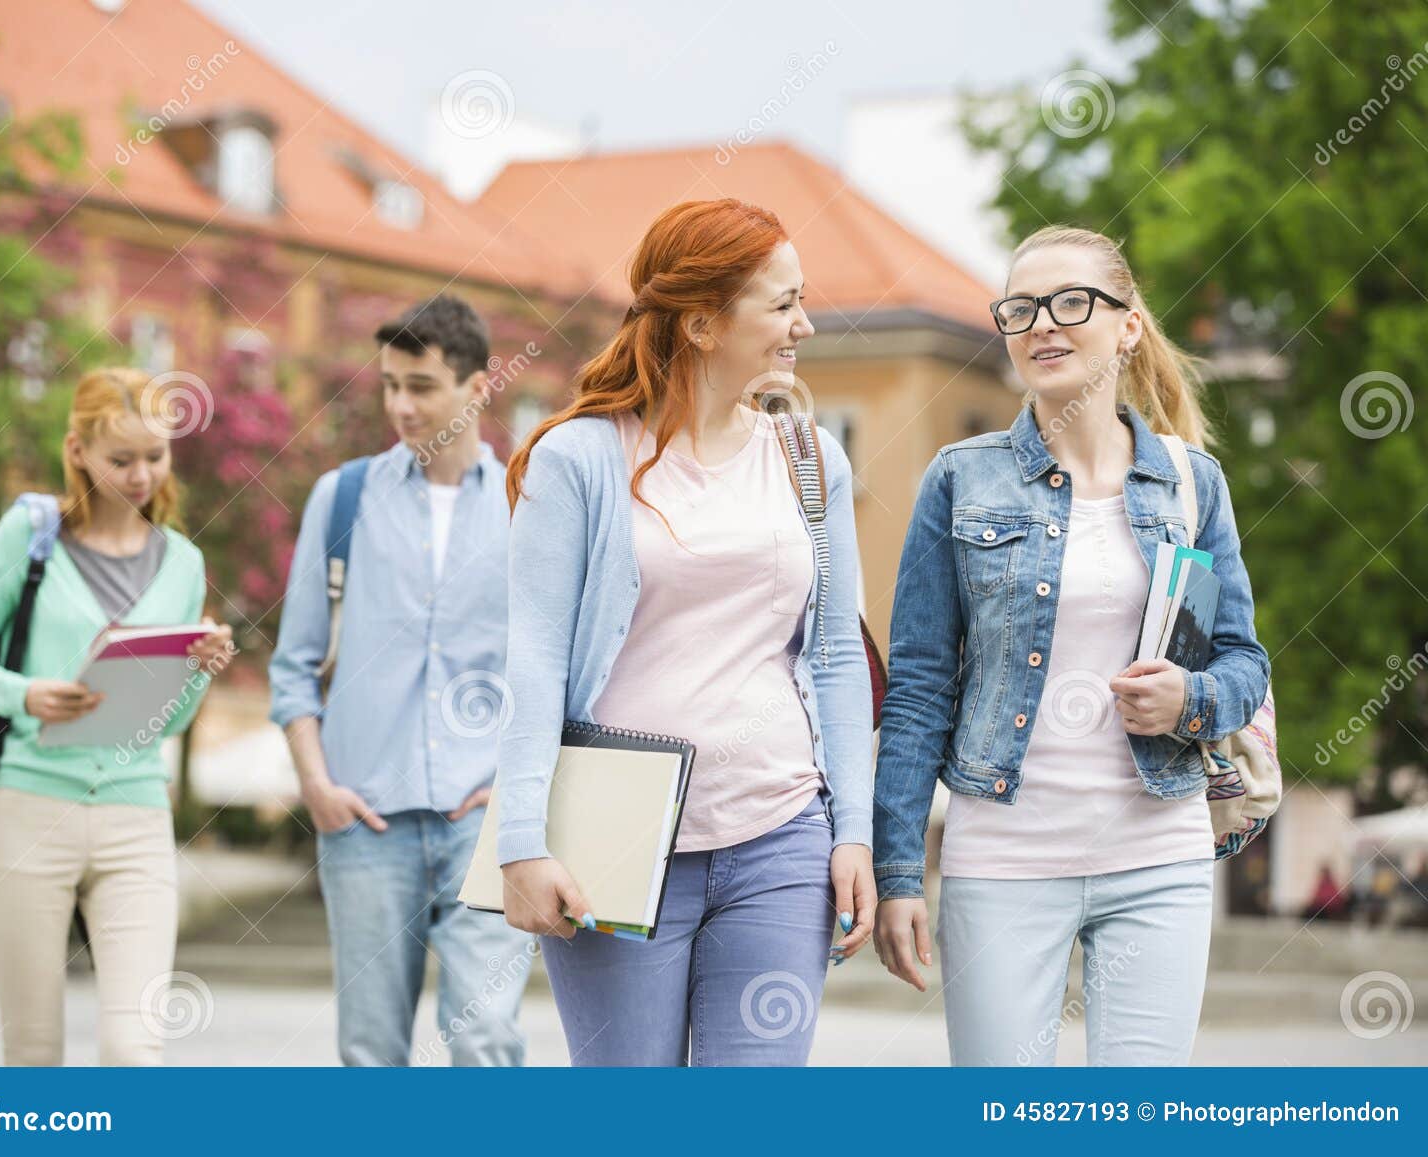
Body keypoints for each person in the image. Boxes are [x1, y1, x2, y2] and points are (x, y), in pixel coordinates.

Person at [872, 225, 1271, 1066]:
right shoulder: (958, 477)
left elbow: (1243, 664)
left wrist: (1190, 699)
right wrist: (899, 872)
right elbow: (916, 689)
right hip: (1003, 857)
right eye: (1021, 309)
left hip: (1158, 853)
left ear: (1128, 325)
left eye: (1071, 302)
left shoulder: (1192, 482)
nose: (1043, 324)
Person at [495, 198, 875, 1066]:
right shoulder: (580, 459)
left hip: (781, 832)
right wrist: (522, 840)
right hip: (615, 843)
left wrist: (852, 827)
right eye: (781, 304)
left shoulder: (811, 458)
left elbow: (836, 656)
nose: (804, 324)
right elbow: (535, 657)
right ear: (703, 321)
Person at [0, 367, 235, 1065]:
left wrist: (196, 673)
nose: (141, 476)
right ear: (77, 451)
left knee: (135, 1051)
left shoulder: (183, 562)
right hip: (29, 812)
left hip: (136, 819)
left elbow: (165, 725)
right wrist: (27, 693)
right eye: (121, 459)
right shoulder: (30, 537)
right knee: (34, 1053)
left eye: (155, 457)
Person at [269, 295, 533, 1066]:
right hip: (364, 820)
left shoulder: (531, 503)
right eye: (389, 384)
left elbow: (565, 669)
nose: (400, 405)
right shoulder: (342, 496)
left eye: (420, 386)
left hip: (484, 819)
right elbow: (294, 665)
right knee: (370, 1053)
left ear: (478, 387)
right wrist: (316, 784)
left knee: (485, 1039)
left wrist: (521, 786)